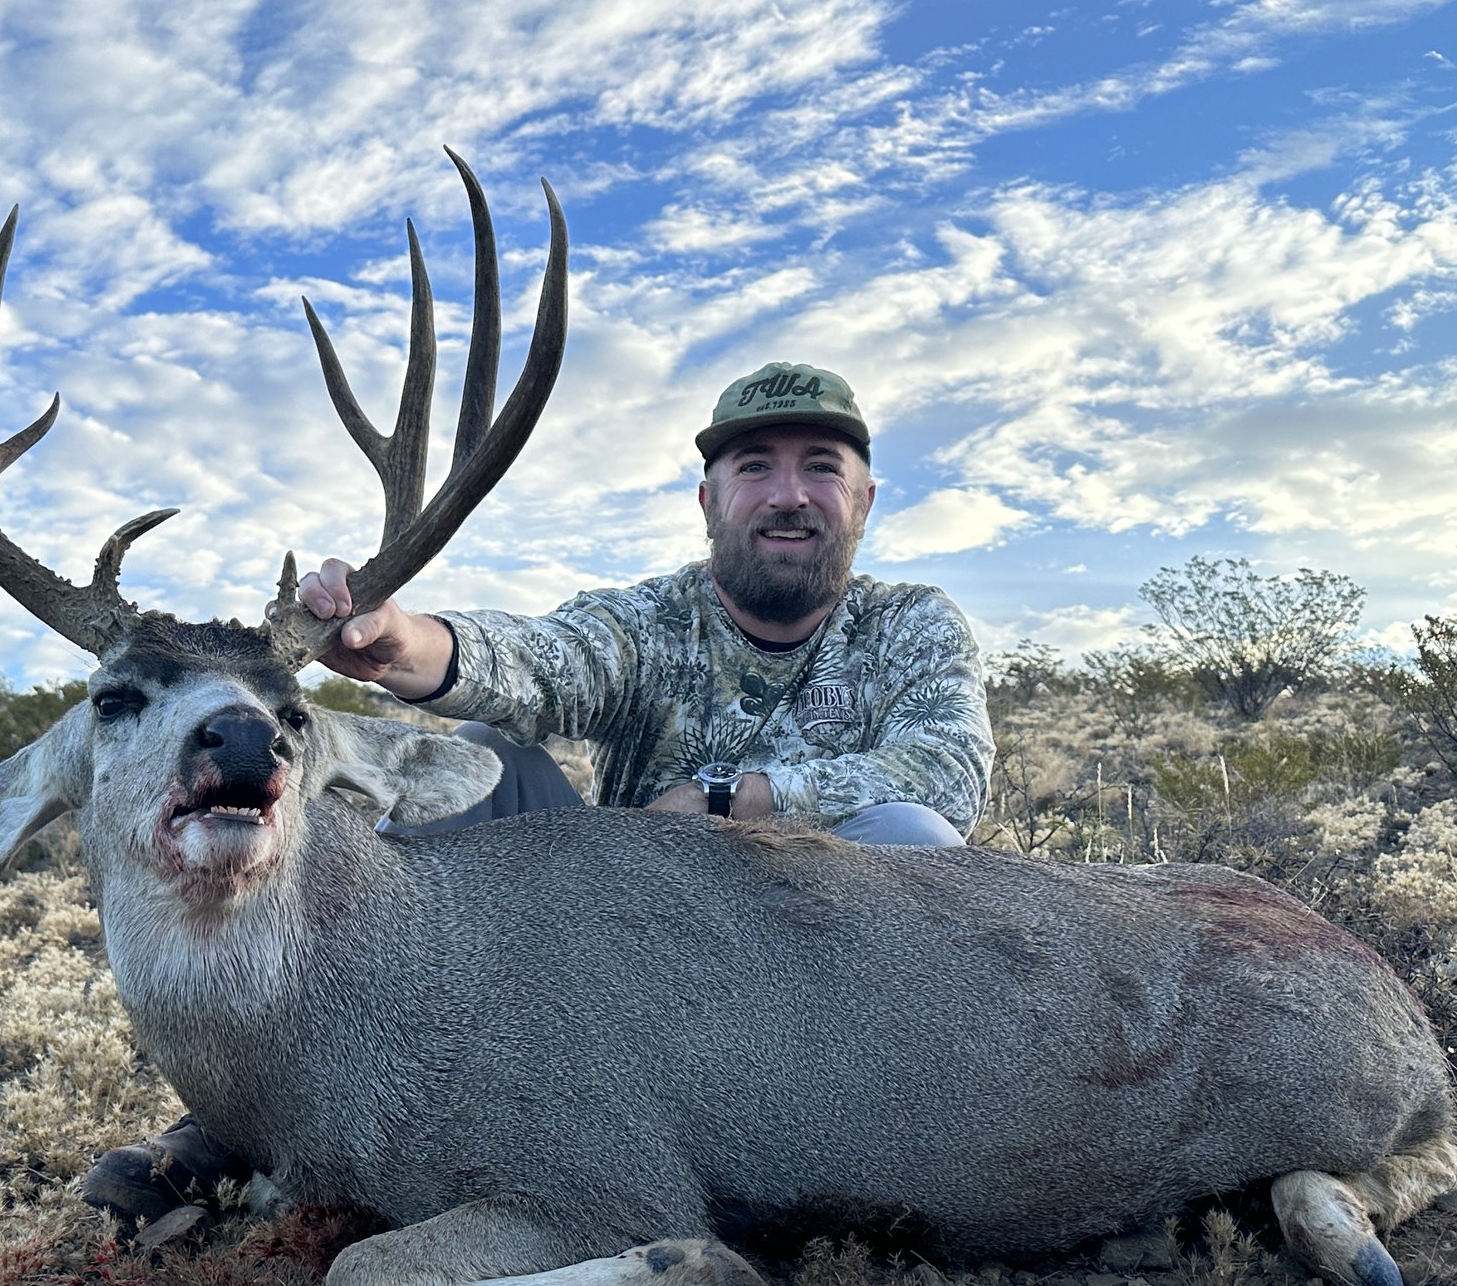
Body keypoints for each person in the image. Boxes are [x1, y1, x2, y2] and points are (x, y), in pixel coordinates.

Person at [83, 361, 994, 1228]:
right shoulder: (653, 623)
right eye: (755, 467)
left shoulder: (910, 627)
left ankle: (888, 1154)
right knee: (490, 758)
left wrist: (730, 798)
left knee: (912, 838)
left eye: (821, 468)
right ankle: (249, 1123)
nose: (788, 493)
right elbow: (544, 662)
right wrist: (406, 642)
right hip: (627, 986)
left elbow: (946, 769)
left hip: (816, 1007)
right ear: (710, 500)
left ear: (865, 499)